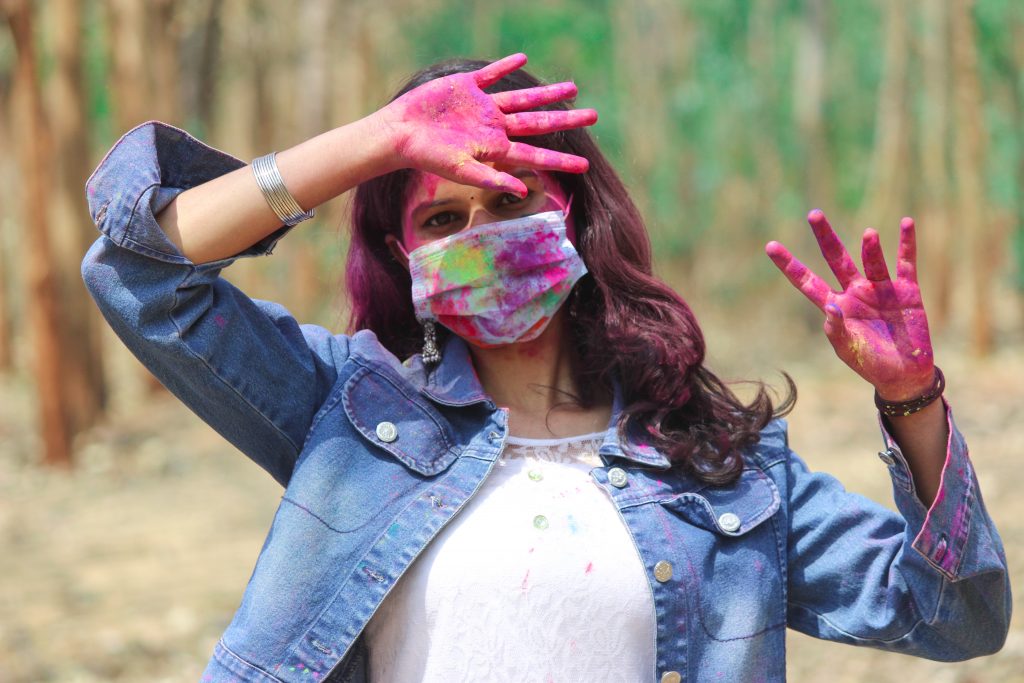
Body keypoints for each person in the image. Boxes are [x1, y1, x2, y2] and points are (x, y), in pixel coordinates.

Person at [82, 53, 1010, 683]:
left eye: (509, 199)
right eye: (441, 220)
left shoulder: (726, 467)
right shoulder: (350, 412)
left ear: (576, 219)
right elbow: (138, 273)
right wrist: (377, 142)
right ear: (405, 258)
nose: (480, 235)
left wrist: (911, 399)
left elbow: (955, 616)